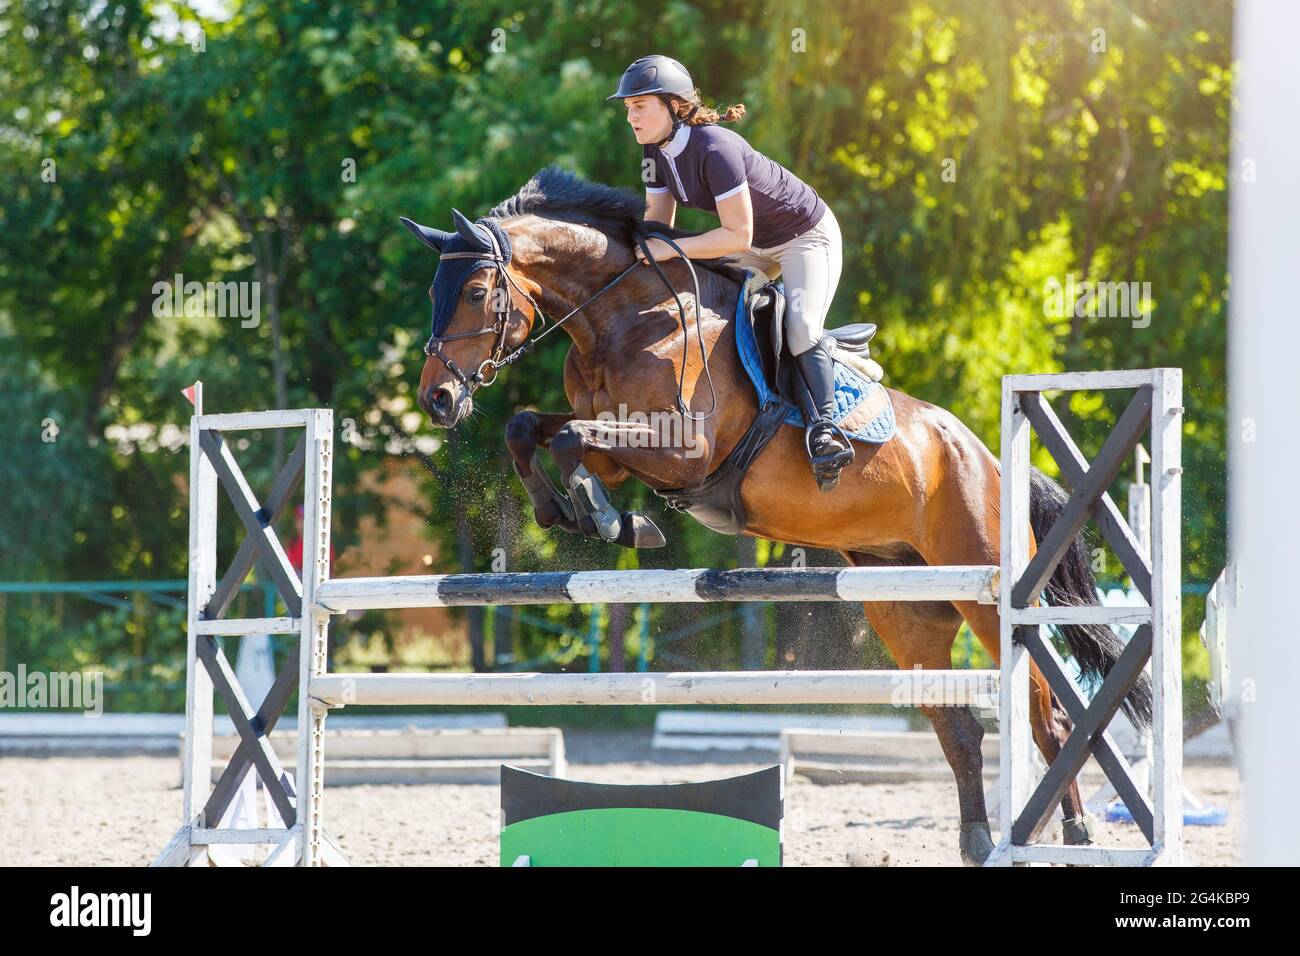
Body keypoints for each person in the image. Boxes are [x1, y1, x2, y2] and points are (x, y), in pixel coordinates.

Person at [608, 54, 854, 489]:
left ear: (674, 106)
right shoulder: (654, 153)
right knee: (708, 305)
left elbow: (736, 237)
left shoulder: (716, 149)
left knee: (800, 328)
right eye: (628, 108)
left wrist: (666, 251)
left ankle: (826, 429)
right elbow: (657, 227)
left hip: (804, 237)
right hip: (756, 242)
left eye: (639, 106)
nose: (631, 117)